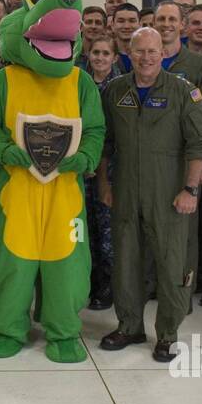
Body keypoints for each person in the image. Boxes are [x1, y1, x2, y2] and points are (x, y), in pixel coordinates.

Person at [98, 28, 202, 361]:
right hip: (126, 192)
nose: (145, 57)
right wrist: (105, 184)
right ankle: (129, 326)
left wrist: (190, 189)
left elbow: (200, 144)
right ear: (128, 54)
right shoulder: (116, 90)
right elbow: (107, 143)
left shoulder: (182, 92)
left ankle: (167, 334)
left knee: (171, 264)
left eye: (152, 51)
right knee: (126, 263)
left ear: (163, 53)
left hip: (169, 194)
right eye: (138, 51)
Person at [153, 1, 202, 300]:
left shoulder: (198, 65)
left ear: (183, 25)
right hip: (151, 158)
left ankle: (182, 287)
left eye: (172, 19)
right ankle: (153, 283)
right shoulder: (144, 59)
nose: (166, 24)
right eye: (161, 18)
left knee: (185, 229)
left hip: (186, 159)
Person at [83, 35, 121, 310]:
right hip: (83, 168)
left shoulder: (122, 87)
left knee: (108, 230)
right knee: (86, 229)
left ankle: (109, 285)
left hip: (111, 168)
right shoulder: (77, 84)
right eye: (95, 52)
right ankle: (90, 282)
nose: (99, 57)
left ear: (115, 57)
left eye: (105, 53)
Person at [111, 3, 141, 72]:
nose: (126, 26)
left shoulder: (147, 54)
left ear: (139, 24)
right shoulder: (103, 54)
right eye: (121, 21)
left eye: (132, 21)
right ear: (112, 25)